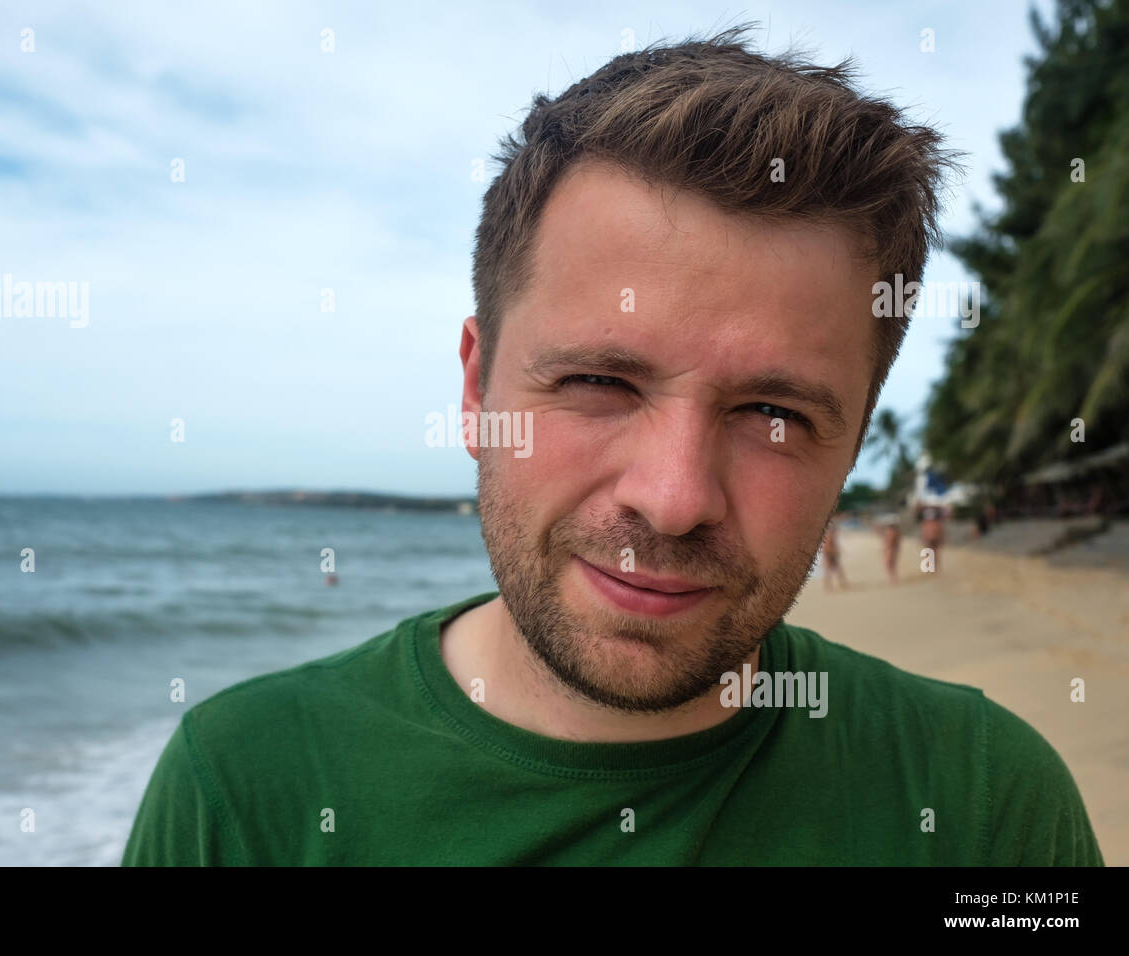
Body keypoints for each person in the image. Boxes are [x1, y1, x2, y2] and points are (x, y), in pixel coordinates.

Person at [124, 30, 1102, 866]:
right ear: (475, 388)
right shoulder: (245, 791)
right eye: (598, 383)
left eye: (772, 413)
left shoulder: (985, 809)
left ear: (850, 446)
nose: (673, 498)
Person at [820, 518, 847, 591]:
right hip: (829, 555)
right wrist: (836, 551)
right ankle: (829, 586)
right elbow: (827, 547)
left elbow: (830, 546)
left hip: (830, 554)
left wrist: (837, 550)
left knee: (836, 570)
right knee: (830, 570)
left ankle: (840, 584)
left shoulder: (830, 535)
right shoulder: (830, 536)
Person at [882, 520, 901, 585]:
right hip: (891, 549)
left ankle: (892, 578)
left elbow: (889, 543)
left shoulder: (892, 533)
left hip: (891, 550)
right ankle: (893, 577)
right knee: (891, 564)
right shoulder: (894, 532)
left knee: (889, 564)